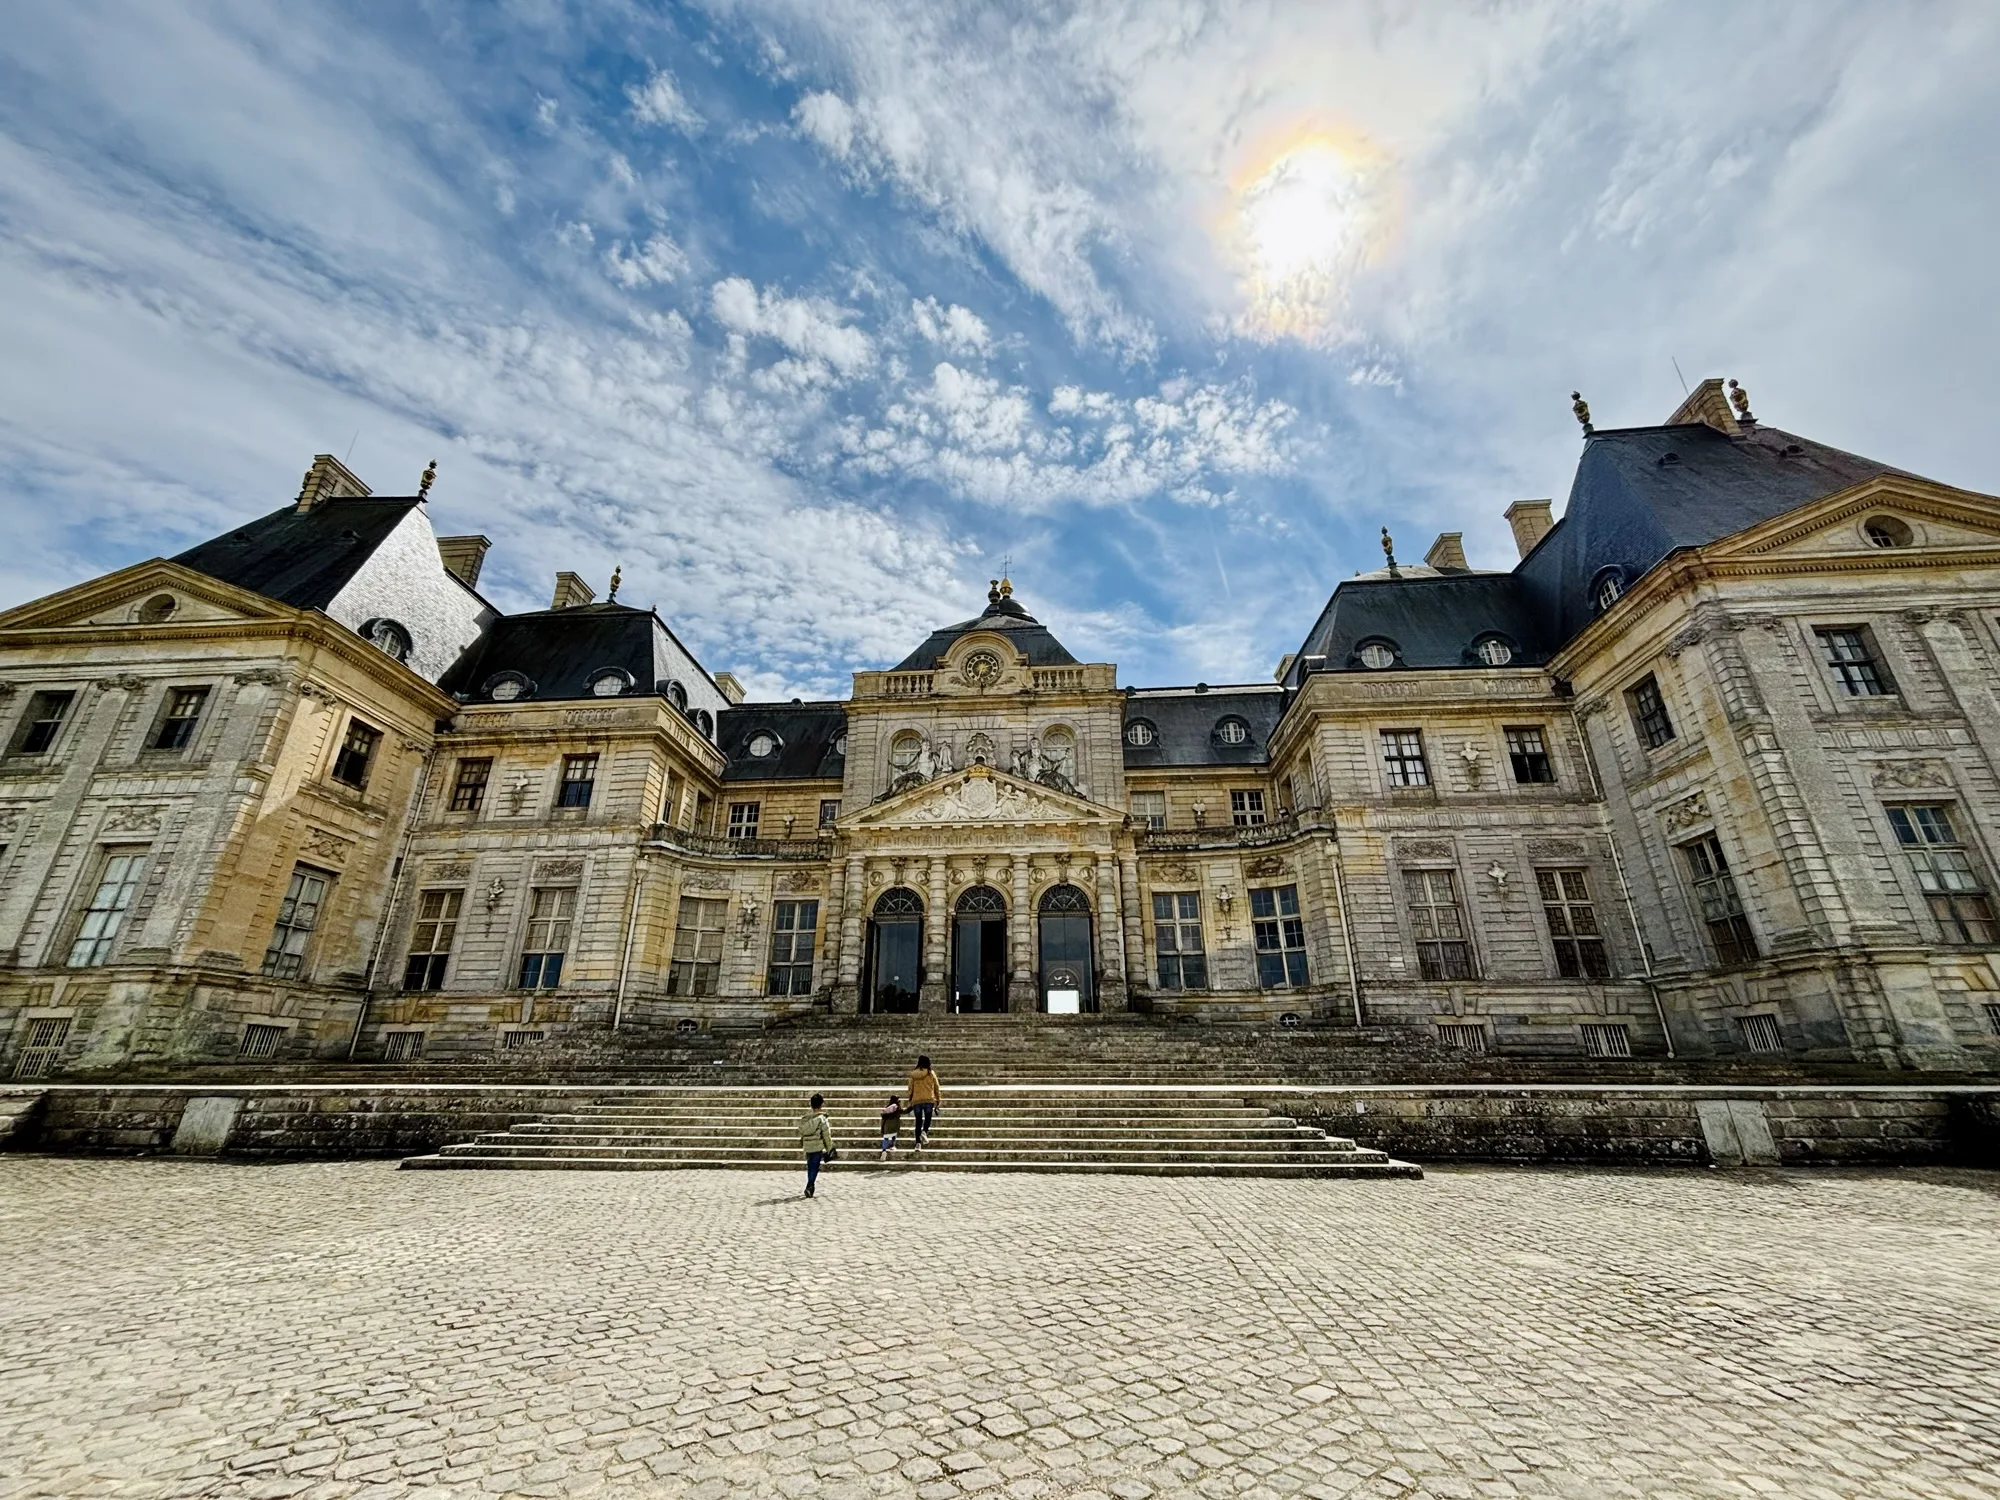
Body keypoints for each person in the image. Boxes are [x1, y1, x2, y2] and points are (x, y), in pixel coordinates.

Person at [798, 1093, 835, 1197]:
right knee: (814, 1166)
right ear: (821, 1105)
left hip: (808, 1146)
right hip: (817, 1146)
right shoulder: (822, 1119)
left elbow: (802, 1132)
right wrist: (829, 1148)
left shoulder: (805, 1119)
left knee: (810, 1166)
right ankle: (810, 1186)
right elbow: (826, 1135)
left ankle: (810, 1185)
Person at [906, 1055, 941, 1149]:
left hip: (916, 1100)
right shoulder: (931, 1073)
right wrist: (938, 1099)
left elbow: (910, 1088)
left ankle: (917, 1143)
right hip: (929, 1099)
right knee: (928, 1118)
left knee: (918, 1121)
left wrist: (910, 1099)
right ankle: (924, 1132)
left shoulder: (913, 1074)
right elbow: (936, 1087)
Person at [878, 1094, 903, 1160]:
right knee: (893, 1136)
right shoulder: (896, 1107)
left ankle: (884, 1151)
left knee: (885, 1138)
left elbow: (883, 1117)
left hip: (886, 1126)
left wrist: (882, 1128)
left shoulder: (887, 1108)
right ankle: (893, 1145)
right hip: (894, 1126)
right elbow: (902, 1112)